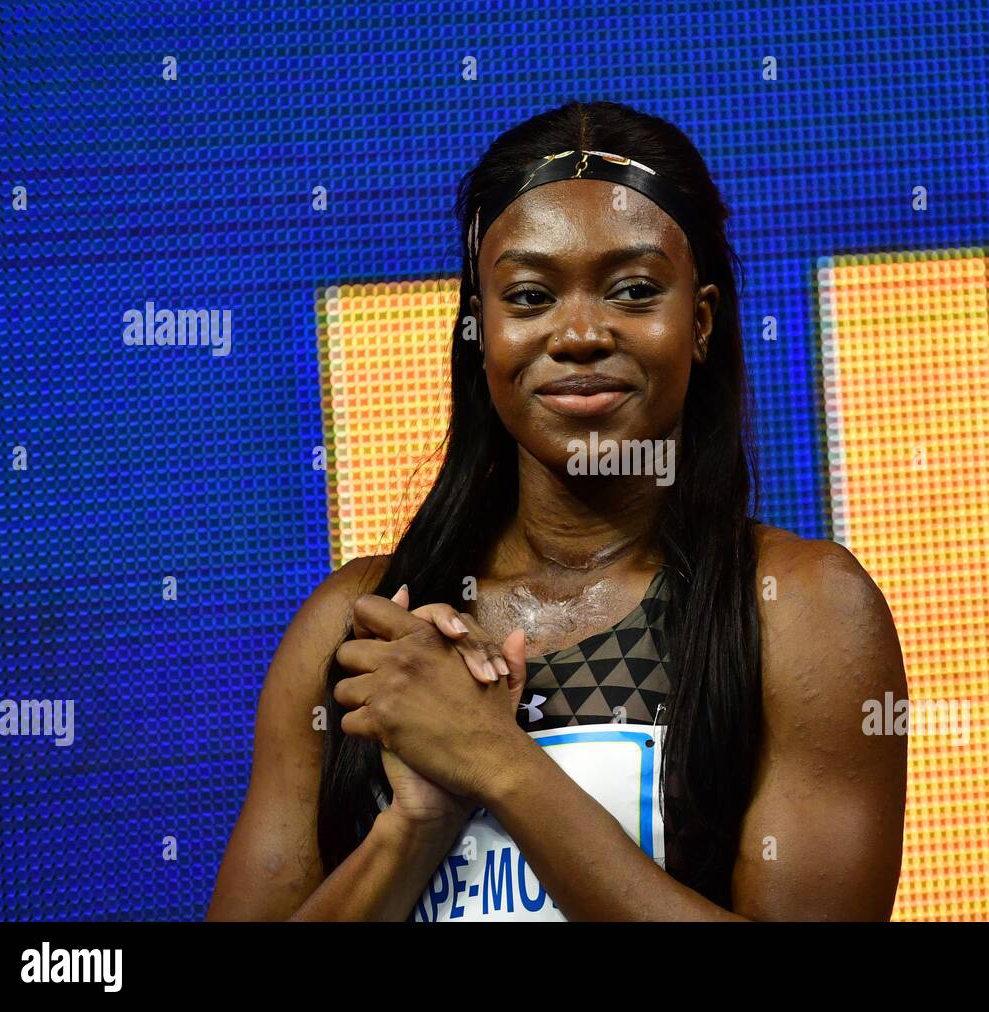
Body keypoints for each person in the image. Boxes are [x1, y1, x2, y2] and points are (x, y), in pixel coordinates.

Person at [207, 100, 907, 921]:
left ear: (702, 322)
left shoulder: (796, 608)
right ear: (481, 329)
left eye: (634, 290)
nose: (578, 334)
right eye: (531, 296)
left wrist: (499, 764)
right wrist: (413, 829)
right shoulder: (356, 630)